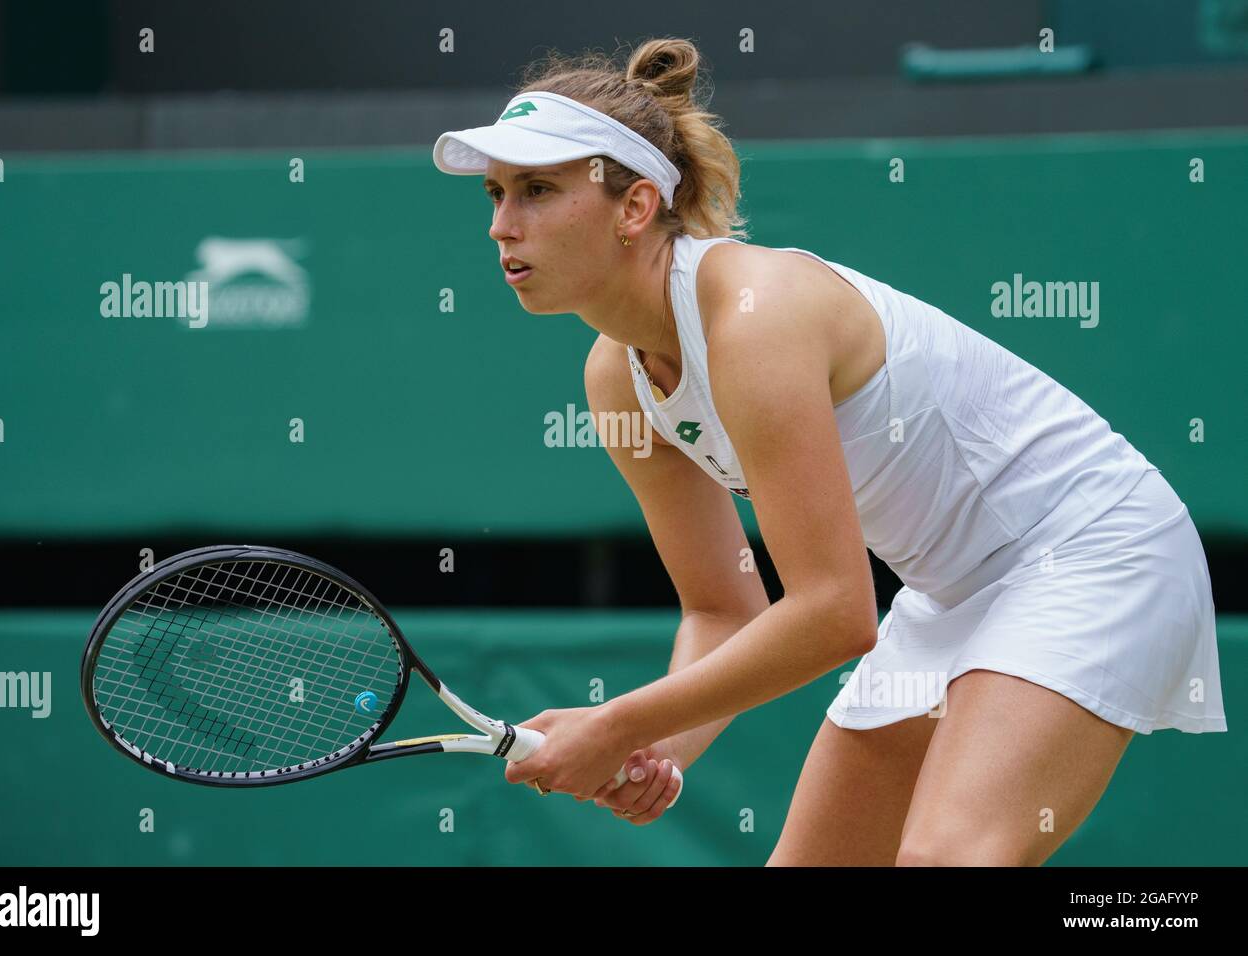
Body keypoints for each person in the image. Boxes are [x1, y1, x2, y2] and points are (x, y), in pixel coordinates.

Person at [431, 37, 1226, 865]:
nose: (500, 225)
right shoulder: (615, 378)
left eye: (536, 190)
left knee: (947, 860)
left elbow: (835, 614)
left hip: (1094, 548)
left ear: (633, 208)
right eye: (494, 194)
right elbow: (722, 606)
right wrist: (659, 746)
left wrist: (616, 723)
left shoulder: (755, 317)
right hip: (952, 592)